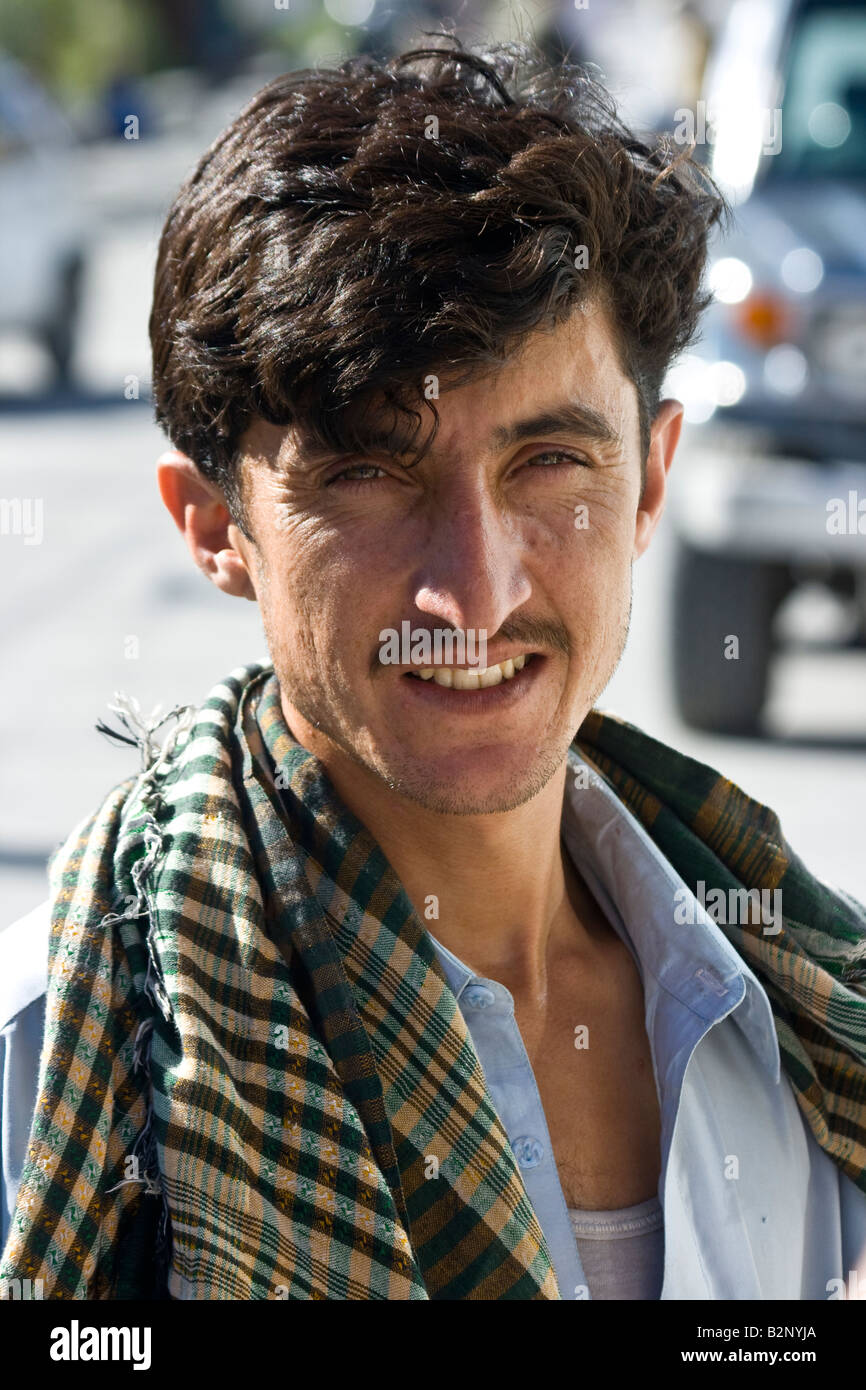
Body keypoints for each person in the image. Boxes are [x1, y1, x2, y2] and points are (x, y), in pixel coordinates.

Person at [2, 39, 865, 1302]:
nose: (474, 590)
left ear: (651, 480)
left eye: (550, 464)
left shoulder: (800, 1020)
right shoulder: (55, 1080)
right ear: (212, 525)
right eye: (368, 473)